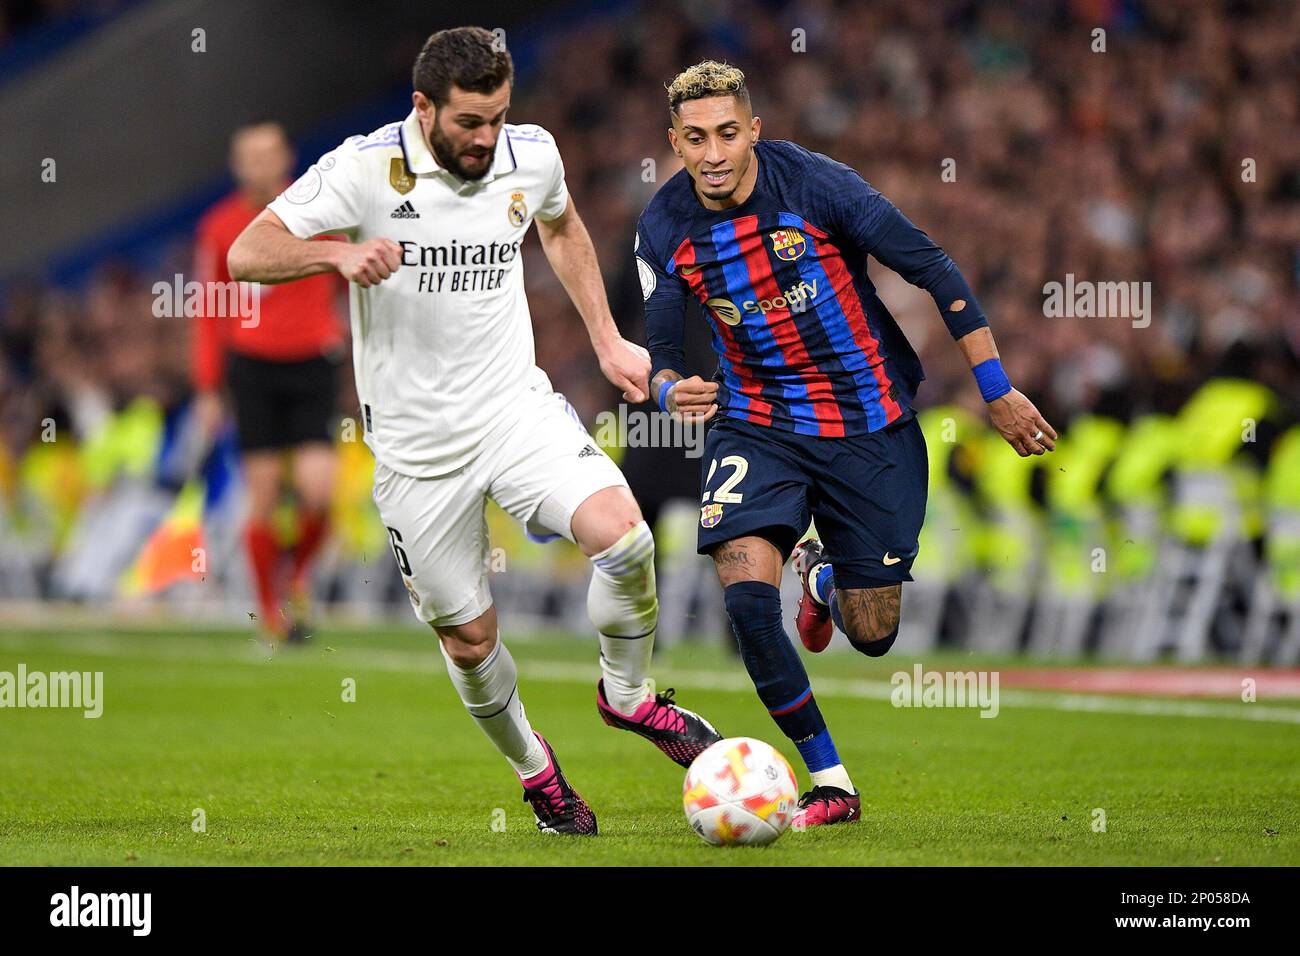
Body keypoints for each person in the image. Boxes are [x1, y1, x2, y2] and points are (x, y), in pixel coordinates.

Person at [227, 27, 720, 835]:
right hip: (417, 452)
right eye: (468, 123)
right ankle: (537, 772)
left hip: (512, 408)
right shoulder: (365, 167)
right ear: (424, 108)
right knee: (469, 640)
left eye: (497, 117)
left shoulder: (531, 154)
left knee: (624, 537)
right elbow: (250, 251)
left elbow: (559, 226)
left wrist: (604, 339)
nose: (486, 139)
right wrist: (335, 260)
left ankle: (627, 699)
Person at [636, 61, 1056, 828]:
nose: (715, 153)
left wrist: (995, 387)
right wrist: (668, 388)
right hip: (758, 423)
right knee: (750, 604)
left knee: (873, 633)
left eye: (729, 133)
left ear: (754, 130)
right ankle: (832, 782)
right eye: (695, 139)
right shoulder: (664, 225)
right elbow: (661, 342)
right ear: (675, 142)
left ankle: (826, 578)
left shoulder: (818, 187)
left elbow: (934, 267)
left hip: (870, 423)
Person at [192, 120, 345, 644]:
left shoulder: (318, 211)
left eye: (268, 154)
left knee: (319, 490)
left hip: (311, 363)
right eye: (249, 156)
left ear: (287, 157)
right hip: (252, 368)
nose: (259, 165)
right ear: (237, 165)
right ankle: (270, 615)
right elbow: (210, 310)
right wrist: (209, 387)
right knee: (259, 494)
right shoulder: (218, 227)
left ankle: (296, 575)